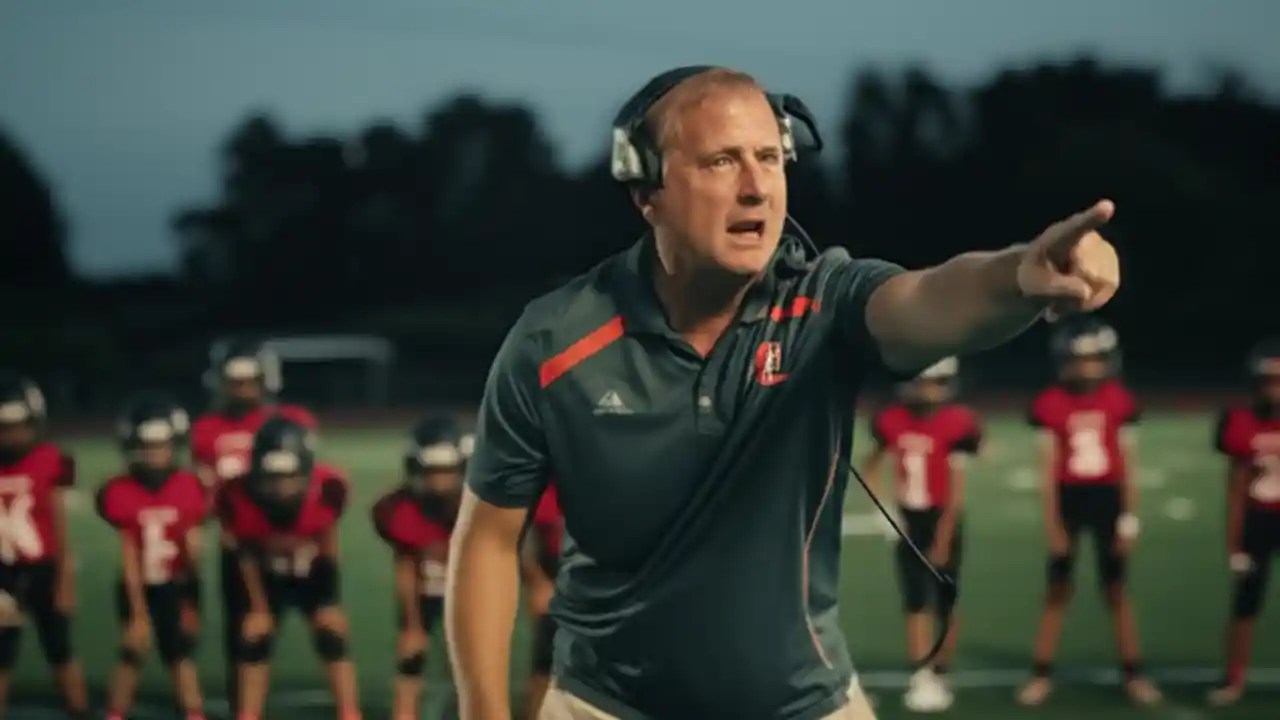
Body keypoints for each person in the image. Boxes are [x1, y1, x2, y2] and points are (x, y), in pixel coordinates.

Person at [446, 65, 1121, 720]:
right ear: (645, 188)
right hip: (603, 705)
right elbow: (487, 540)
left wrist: (1018, 274)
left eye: (770, 158)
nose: (757, 188)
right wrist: (483, 709)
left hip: (806, 703)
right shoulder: (552, 341)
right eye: (721, 162)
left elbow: (929, 299)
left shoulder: (825, 300)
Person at [1016, 317, 1161, 707]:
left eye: (1094, 359)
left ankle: (1134, 673)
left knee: (1116, 590)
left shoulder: (1120, 401)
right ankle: (1041, 673)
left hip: (1107, 499)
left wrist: (1129, 516)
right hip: (1070, 499)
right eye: (1079, 360)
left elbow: (1129, 466)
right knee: (1057, 592)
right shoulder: (1049, 403)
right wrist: (1053, 524)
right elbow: (1047, 472)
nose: (1086, 368)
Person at [189, 340, 316, 709]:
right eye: (234, 381)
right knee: (242, 630)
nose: (242, 389)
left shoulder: (291, 422)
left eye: (249, 381)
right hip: (239, 541)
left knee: (320, 622)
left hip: (288, 540)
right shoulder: (207, 429)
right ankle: (242, 706)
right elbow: (203, 487)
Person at [217, 416, 361, 720]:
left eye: (289, 477)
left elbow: (327, 545)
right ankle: (248, 713)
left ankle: (349, 712)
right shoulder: (236, 496)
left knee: (332, 632)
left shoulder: (328, 490)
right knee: (255, 639)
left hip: (310, 575)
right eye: (272, 478)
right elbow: (243, 556)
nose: (281, 487)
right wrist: (257, 607)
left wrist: (329, 600)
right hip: (265, 577)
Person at [861, 357, 980, 713]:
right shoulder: (892, 419)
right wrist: (886, 512)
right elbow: (871, 465)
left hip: (943, 516)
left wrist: (944, 534)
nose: (927, 390)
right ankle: (921, 671)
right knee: (915, 599)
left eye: (935, 382)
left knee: (946, 598)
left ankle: (941, 669)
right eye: (922, 381)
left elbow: (956, 489)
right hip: (909, 520)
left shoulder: (958, 422)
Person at [97, 394, 208, 720]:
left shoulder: (189, 486)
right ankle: (116, 712)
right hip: (138, 585)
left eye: (161, 446)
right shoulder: (119, 490)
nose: (154, 454)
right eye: (146, 446)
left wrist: (191, 600)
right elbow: (129, 557)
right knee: (132, 651)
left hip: (177, 585)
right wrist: (138, 612)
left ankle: (193, 711)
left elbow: (193, 555)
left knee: (180, 654)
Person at [371, 415, 473, 720]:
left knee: (471, 663)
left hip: (471, 592)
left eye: (446, 471)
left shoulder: (482, 506)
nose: (439, 481)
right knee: (411, 655)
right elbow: (405, 569)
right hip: (426, 590)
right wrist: (412, 625)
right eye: (430, 472)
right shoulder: (400, 510)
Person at [0, 372, 89, 718]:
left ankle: (78, 710)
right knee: (2, 652)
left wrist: (65, 577)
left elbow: (58, 523)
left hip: (42, 567)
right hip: (1, 571)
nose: (10, 435)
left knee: (60, 647)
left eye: (17, 426)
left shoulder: (50, 459)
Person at [1207, 338, 1280, 706]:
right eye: (1269, 381)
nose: (1275, 389)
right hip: (1259, 521)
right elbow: (1235, 490)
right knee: (1246, 603)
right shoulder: (1241, 422)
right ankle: (1233, 677)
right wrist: (1234, 545)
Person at [520, 483, 563, 719]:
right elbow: (522, 539)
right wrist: (537, 583)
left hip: (600, 579)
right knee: (545, 663)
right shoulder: (546, 494)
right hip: (555, 579)